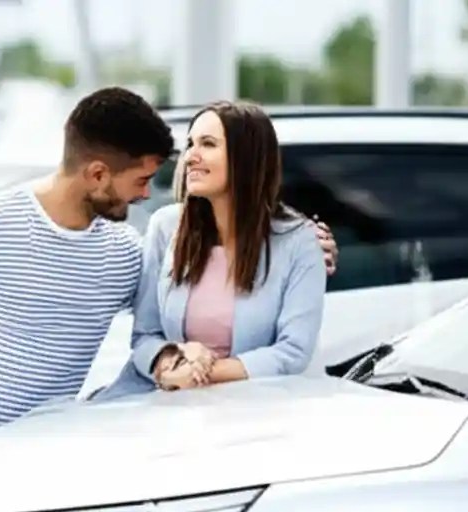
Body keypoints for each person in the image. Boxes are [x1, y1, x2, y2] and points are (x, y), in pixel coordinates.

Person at [0, 88, 336, 456]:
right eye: (139, 181)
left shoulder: (123, 253)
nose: (145, 193)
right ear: (96, 175)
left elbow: (176, 322)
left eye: (205, 144)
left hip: (47, 454)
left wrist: (312, 254)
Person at [94, 100, 327, 400]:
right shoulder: (166, 227)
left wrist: (201, 372)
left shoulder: (299, 242)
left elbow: (293, 351)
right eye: (191, 144)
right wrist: (169, 365)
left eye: (208, 144)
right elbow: (144, 336)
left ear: (246, 158)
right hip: (157, 400)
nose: (191, 156)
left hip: (254, 406)